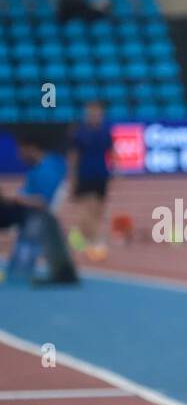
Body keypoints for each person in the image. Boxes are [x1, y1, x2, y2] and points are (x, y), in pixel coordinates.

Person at [1, 132, 74, 284]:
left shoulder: (48, 168)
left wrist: (19, 199)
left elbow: (42, 201)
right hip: (24, 210)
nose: (19, 156)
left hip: (31, 212)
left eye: (21, 151)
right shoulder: (41, 167)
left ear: (31, 149)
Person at [66, 99, 113, 261]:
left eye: (97, 112)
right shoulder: (80, 133)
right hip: (85, 174)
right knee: (88, 208)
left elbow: (111, 151)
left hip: (102, 175)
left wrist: (116, 170)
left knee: (98, 211)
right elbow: (74, 156)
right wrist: (72, 177)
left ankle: (77, 234)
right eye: (91, 112)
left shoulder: (106, 130)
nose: (94, 115)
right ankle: (95, 244)